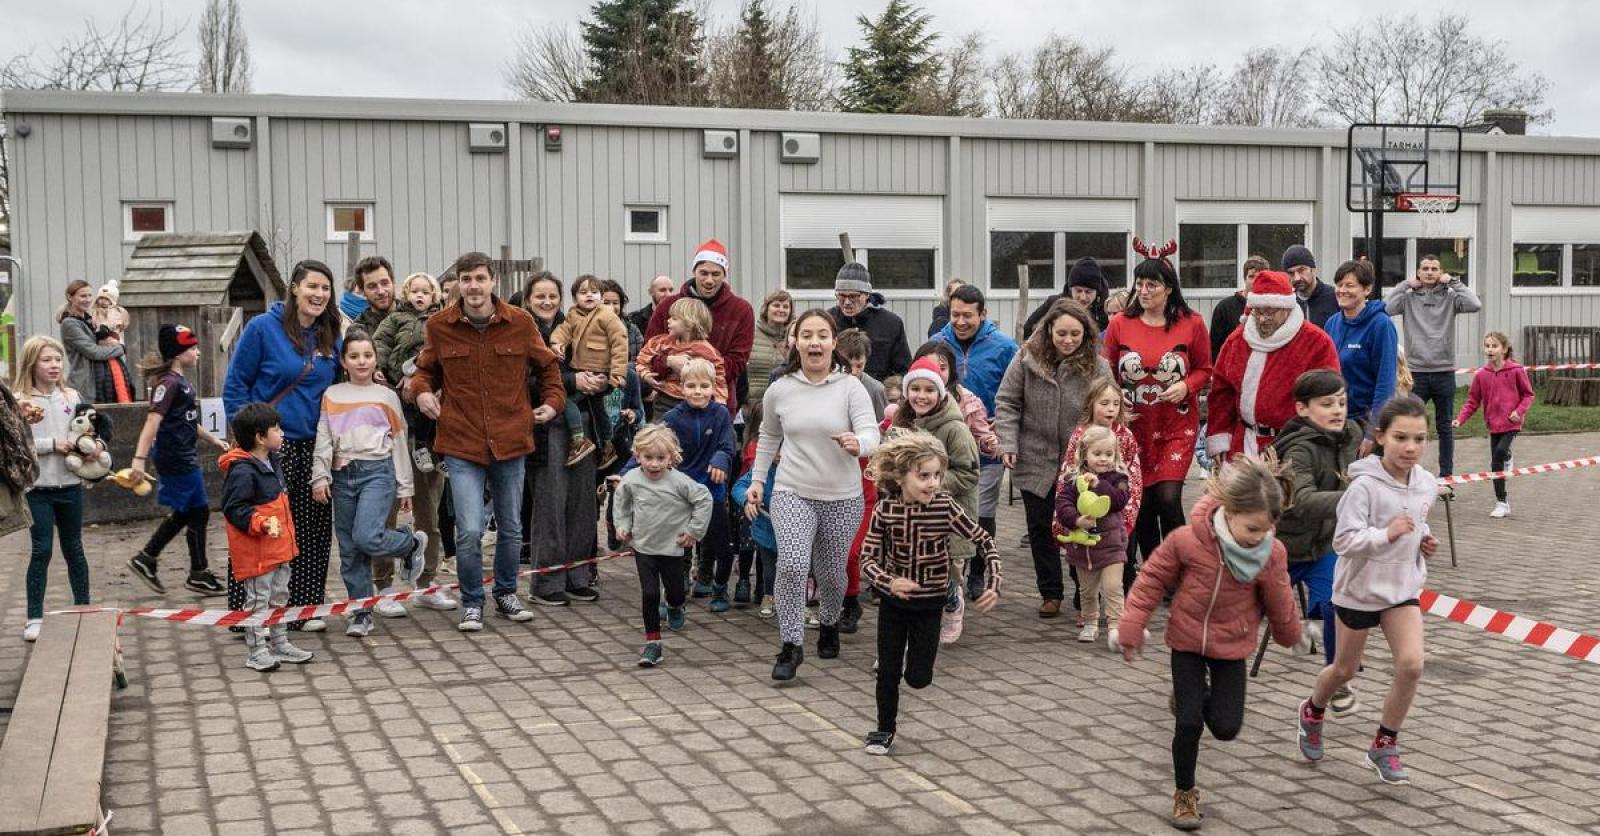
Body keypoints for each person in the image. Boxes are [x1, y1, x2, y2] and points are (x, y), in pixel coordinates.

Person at [1119, 458, 1301, 831]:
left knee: (1226, 726)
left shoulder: (1271, 553)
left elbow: (1280, 600)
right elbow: (1151, 579)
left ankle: (1195, 700)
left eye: (1267, 529)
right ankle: (1185, 794)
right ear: (1229, 512)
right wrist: (1132, 626)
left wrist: (1289, 635)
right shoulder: (1189, 540)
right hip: (1186, 640)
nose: (1258, 537)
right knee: (1189, 722)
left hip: (1231, 645)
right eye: (1252, 528)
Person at [408, 252, 563, 631]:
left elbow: (548, 367)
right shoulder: (440, 325)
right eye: (466, 279)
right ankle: (472, 601)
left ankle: (506, 593)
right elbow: (424, 371)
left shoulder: (520, 322)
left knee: (510, 527)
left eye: (480, 278)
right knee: (471, 529)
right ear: (458, 283)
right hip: (461, 440)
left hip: (511, 439)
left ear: (493, 281)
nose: (473, 286)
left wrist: (553, 404)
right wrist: (422, 392)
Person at [1297, 396, 1439, 786]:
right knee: (1343, 669)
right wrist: (1386, 534)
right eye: (1401, 438)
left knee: (1412, 665)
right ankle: (1313, 710)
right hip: (1358, 590)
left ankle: (1384, 743)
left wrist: (1424, 540)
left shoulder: (1427, 483)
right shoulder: (1363, 487)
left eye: (1419, 439)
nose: (1410, 447)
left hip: (1401, 590)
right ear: (1381, 437)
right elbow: (1344, 542)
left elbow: (1417, 523)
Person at [747, 308, 881, 682]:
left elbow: (872, 433)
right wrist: (758, 481)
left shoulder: (850, 387)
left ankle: (829, 621)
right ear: (795, 342)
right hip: (793, 490)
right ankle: (791, 645)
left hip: (843, 495)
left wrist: (859, 443)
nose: (814, 342)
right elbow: (769, 436)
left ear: (833, 342)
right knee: (791, 565)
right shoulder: (780, 389)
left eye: (822, 335)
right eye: (806, 335)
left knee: (832, 574)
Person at [860, 431, 1000, 756]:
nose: (933, 483)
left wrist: (993, 583)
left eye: (937, 475)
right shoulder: (885, 511)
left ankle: (917, 664)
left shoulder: (945, 507)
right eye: (924, 476)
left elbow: (984, 541)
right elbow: (866, 558)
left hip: (931, 602)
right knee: (887, 671)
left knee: (919, 678)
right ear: (901, 475)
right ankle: (883, 730)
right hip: (894, 603)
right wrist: (888, 581)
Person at [223, 259, 343, 632]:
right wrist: (249, 439)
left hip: (315, 444)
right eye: (312, 286)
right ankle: (249, 612)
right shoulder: (263, 328)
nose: (319, 295)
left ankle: (304, 608)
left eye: (325, 288)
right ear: (294, 288)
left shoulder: (331, 334)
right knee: (263, 527)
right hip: (270, 447)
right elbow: (236, 385)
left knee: (312, 529)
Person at [1103, 241, 1211, 577]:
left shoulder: (1191, 323)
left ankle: (1182, 565)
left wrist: (1187, 386)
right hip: (1136, 424)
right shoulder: (1121, 323)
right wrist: (1114, 405)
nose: (1145, 290)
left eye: (1152, 285)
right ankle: (1157, 570)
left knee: (1168, 496)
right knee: (1145, 503)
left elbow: (1207, 369)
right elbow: (1106, 372)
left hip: (1177, 423)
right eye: (1140, 284)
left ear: (1169, 288)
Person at [994, 299, 1107, 617]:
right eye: (1061, 334)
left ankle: (1084, 590)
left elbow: (1110, 406)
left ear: (1086, 333)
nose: (1068, 341)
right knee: (1041, 527)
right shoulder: (1026, 358)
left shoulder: (1097, 366)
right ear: (1049, 331)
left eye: (1075, 334)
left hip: (1080, 459)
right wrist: (1008, 442)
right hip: (1035, 454)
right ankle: (1050, 592)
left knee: (1081, 526)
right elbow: (1007, 401)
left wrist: (1099, 447)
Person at [312, 331, 429, 638]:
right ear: (343, 361)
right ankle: (362, 612)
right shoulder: (332, 394)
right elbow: (324, 439)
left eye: (367, 355)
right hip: (342, 475)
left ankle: (410, 543)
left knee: (366, 536)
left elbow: (400, 442)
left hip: (378, 472)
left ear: (375, 359)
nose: (361, 361)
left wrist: (406, 487)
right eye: (354, 356)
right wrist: (320, 475)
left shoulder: (386, 396)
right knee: (350, 549)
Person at [1272, 369, 1363, 713]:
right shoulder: (1298, 450)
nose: (1338, 410)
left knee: (1335, 605)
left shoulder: (1350, 435)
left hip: (1323, 546)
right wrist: (1355, 499)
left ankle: (1337, 680)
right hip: (1283, 547)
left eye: (1342, 402)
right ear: (1302, 409)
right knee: (1243, 613)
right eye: (1327, 404)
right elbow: (1303, 501)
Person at [615, 358, 737, 608]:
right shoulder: (673, 417)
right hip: (679, 491)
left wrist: (721, 460)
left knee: (721, 544)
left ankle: (719, 587)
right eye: (691, 386)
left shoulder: (721, 414)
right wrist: (625, 472)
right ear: (682, 387)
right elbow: (650, 445)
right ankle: (677, 590)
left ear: (713, 387)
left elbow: (728, 445)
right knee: (681, 542)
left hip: (711, 489)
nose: (698, 391)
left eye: (704, 386)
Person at [370, 272, 453, 613]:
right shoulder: (394, 320)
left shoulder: (443, 322)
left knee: (428, 511)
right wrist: (390, 373)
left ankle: (426, 581)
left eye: (426, 291)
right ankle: (383, 585)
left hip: (430, 418)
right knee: (384, 511)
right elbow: (378, 346)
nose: (420, 296)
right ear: (406, 294)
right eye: (414, 291)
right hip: (393, 414)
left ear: (435, 295)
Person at [125, 324, 228, 596]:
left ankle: (177, 566)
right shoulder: (169, 384)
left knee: (193, 511)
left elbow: (187, 421)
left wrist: (213, 440)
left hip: (184, 454)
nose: (197, 352)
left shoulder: (180, 383)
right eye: (192, 348)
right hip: (176, 458)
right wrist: (138, 459)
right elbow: (153, 420)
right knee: (194, 510)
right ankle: (171, 564)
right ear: (178, 353)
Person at [521, 272, 604, 607]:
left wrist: (598, 379)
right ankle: (546, 582)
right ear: (528, 299)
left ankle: (577, 576)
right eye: (539, 296)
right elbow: (524, 382)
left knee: (583, 504)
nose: (546, 302)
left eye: (552, 296)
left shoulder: (576, 325)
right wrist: (574, 382)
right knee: (551, 505)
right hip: (546, 427)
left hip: (585, 423)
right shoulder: (522, 331)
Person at [930, 285, 1018, 600]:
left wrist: (1005, 425)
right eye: (956, 314)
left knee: (982, 513)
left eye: (968, 315)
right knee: (945, 511)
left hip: (987, 446)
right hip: (945, 446)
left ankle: (978, 572)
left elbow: (1016, 389)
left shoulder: (1005, 346)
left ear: (983, 314)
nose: (961, 321)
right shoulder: (936, 345)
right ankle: (948, 575)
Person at [888, 356, 980, 644]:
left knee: (945, 571)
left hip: (947, 514)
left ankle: (953, 602)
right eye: (915, 389)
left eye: (929, 390)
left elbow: (968, 473)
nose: (922, 396)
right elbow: (890, 465)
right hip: (909, 515)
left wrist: (930, 485)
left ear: (940, 393)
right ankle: (916, 623)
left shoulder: (955, 429)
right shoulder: (900, 425)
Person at [1205, 270, 1341, 462]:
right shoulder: (1238, 340)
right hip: (1244, 444)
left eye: (1270, 311)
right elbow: (1222, 392)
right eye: (1258, 311)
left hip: (1295, 445)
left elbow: (1327, 398)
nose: (1262, 318)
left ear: (1286, 308)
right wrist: (1220, 436)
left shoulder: (1316, 343)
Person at [221, 403, 315, 671]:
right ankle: (257, 651)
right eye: (277, 429)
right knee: (257, 601)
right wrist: (261, 523)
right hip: (257, 554)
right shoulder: (241, 470)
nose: (282, 433)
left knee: (279, 597)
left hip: (279, 549)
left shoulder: (273, 460)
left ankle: (280, 642)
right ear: (260, 437)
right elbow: (234, 509)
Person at [611, 424, 713, 667]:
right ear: (637, 456)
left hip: (673, 548)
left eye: (660, 458)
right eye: (648, 458)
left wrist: (694, 531)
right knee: (649, 594)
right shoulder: (631, 480)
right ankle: (653, 643)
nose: (654, 464)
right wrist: (622, 525)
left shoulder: (679, 481)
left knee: (676, 592)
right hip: (644, 548)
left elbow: (704, 498)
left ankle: (676, 605)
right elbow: (621, 502)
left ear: (671, 457)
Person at [14, 336, 95, 642]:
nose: (54, 365)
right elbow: (15, 445)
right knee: (42, 550)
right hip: (38, 490)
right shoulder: (18, 399)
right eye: (46, 360)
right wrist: (51, 445)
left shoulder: (71, 396)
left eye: (58, 359)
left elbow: (86, 430)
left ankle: (84, 609)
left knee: (75, 549)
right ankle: (34, 616)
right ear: (32, 363)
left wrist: (92, 448)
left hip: (71, 486)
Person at [1385, 254, 1483, 477]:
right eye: (1425, 268)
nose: (1429, 272)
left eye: (1434, 269)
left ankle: (1446, 477)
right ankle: (1405, 474)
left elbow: (1475, 304)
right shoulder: (1408, 298)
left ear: (1440, 273)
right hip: (1416, 373)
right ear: (1418, 273)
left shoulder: (1450, 297)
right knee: (1407, 425)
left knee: (1444, 428)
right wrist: (1403, 285)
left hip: (1443, 372)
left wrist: (1454, 282)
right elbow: (1386, 308)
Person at [645, 240, 754, 408]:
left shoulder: (741, 310)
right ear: (694, 271)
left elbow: (737, 362)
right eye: (703, 273)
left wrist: (695, 370)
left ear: (724, 275)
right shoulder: (667, 306)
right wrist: (669, 362)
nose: (709, 280)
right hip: (670, 401)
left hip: (716, 403)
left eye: (716, 274)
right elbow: (650, 352)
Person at [1064, 377, 1143, 609]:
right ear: (1091, 404)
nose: (1110, 409)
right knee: (1081, 561)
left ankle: (1121, 611)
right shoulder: (1080, 435)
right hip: (1084, 516)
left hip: (1117, 516)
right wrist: (1067, 516)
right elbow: (1068, 473)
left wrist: (1129, 513)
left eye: (1115, 403)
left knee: (1122, 563)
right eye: (1104, 403)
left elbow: (1133, 477)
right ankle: (1086, 607)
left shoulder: (1125, 436)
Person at [1054, 425, 1132, 644]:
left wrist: (1100, 485)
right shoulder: (1074, 480)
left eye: (1109, 454)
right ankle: (1090, 622)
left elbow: (1119, 500)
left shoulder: (1118, 479)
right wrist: (1076, 520)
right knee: (1087, 591)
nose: (1103, 459)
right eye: (1097, 454)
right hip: (1084, 549)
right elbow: (1063, 504)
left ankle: (1116, 625)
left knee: (1113, 587)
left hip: (1112, 546)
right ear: (1084, 455)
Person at [550, 274, 630, 467]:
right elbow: (563, 330)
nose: (589, 296)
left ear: (601, 297)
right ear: (575, 297)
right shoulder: (573, 315)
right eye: (583, 292)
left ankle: (578, 439)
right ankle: (607, 445)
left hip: (599, 369)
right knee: (597, 408)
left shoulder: (607, 315)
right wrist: (556, 343)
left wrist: (618, 373)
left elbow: (620, 342)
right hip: (580, 367)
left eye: (594, 292)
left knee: (565, 400)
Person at [1454, 331, 1533, 518]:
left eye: (1494, 346)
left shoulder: (1516, 371)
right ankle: (1502, 503)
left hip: (1511, 423)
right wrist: (1460, 419)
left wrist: (1518, 412)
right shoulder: (1482, 375)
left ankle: (1507, 455)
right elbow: (1473, 401)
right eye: (1487, 346)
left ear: (1504, 350)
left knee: (1500, 453)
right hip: (1493, 425)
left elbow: (1528, 395)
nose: (1490, 349)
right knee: (1495, 464)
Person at [1324, 260, 1398, 431]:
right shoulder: (1332, 323)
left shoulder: (1381, 325)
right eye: (1339, 284)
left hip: (1362, 422)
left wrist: (1373, 430)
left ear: (1367, 289)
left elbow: (1385, 382)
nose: (1342, 290)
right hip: (1335, 420)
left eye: (1349, 285)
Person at [637, 297, 729, 416]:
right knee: (661, 431)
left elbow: (718, 377)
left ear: (689, 324)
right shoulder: (661, 342)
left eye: (674, 319)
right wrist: (645, 375)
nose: (668, 321)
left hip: (694, 401)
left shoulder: (706, 350)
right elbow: (642, 358)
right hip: (665, 399)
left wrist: (720, 403)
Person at [828, 262, 911, 380]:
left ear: (867, 294)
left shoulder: (891, 324)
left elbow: (903, 369)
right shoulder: (828, 321)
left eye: (853, 296)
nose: (847, 302)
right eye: (841, 296)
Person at [732, 414, 779, 618]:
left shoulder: (803, 469)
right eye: (776, 449)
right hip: (766, 527)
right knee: (769, 567)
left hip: (795, 527)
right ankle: (769, 596)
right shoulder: (763, 469)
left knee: (798, 568)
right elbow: (740, 486)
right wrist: (746, 500)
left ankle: (800, 602)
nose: (780, 455)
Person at [58, 279, 134, 403]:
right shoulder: (70, 324)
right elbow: (94, 352)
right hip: (86, 385)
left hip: (101, 381)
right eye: (83, 296)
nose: (88, 300)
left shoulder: (90, 319)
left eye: (90, 295)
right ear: (70, 297)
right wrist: (120, 348)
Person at [1023, 256, 1112, 338]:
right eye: (1078, 291)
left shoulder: (1109, 310)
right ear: (1070, 289)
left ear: (1097, 291)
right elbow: (1028, 330)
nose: (1083, 297)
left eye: (1088, 292)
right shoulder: (1055, 304)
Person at [1208, 256, 1270, 360]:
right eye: (1251, 276)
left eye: (1260, 277)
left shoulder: (1274, 307)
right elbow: (1214, 348)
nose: (1255, 281)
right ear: (1244, 279)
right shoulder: (1224, 308)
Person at [745, 290, 793, 419]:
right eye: (776, 305)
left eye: (786, 306)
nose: (781, 310)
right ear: (766, 309)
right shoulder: (751, 335)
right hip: (753, 408)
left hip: (784, 408)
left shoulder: (793, 338)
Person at [1282, 245, 1338, 333]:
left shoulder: (1335, 297)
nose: (1297, 278)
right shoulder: (1287, 303)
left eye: (1301, 270)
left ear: (1313, 269)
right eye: (1291, 273)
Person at [837, 329, 888, 421]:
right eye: (847, 366)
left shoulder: (876, 390)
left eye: (859, 366)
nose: (853, 372)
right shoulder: (828, 384)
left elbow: (885, 426)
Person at [351, 255, 399, 337]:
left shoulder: (416, 315)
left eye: (385, 283)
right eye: (372, 286)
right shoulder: (358, 331)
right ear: (362, 291)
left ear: (393, 282)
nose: (381, 291)